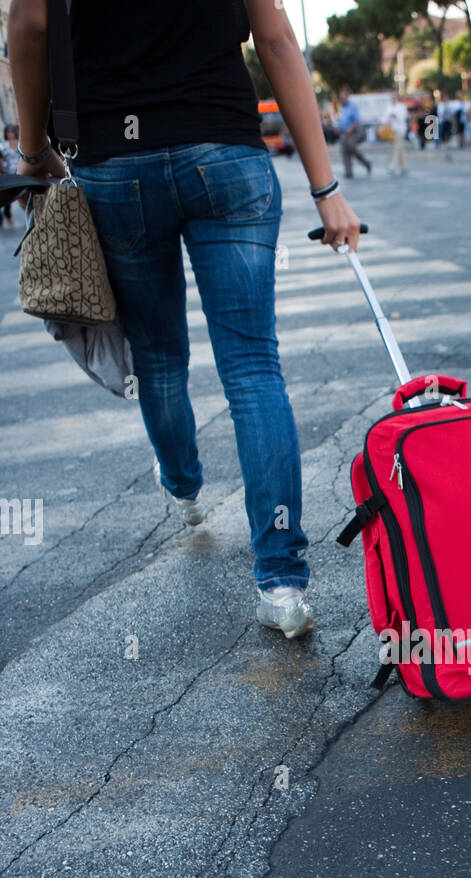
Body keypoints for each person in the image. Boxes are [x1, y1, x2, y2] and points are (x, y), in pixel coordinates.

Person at [8, 0, 360, 641]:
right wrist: (325, 189)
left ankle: (185, 488)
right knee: (254, 368)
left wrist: (33, 151)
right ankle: (281, 582)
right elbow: (276, 39)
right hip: (226, 152)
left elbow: (30, 27)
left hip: (116, 162)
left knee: (160, 354)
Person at [337, 88, 372, 178]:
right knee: (344, 151)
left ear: (347, 97)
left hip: (352, 132)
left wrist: (350, 129)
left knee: (351, 147)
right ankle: (348, 172)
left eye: (343, 97)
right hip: (343, 133)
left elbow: (356, 120)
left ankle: (366, 163)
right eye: (340, 97)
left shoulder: (352, 106)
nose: (341, 98)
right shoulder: (342, 107)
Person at [1, 123, 20, 224]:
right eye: (8, 132)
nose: (10, 134)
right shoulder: (3, 146)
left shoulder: (19, 143)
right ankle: (7, 215)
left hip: (20, 171)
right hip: (8, 173)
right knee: (8, 197)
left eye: (12, 131)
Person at [386, 91, 408, 175]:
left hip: (400, 129)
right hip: (392, 131)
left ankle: (392, 166)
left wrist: (395, 115)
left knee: (396, 148)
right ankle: (404, 167)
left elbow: (403, 118)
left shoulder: (401, 106)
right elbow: (386, 118)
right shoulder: (389, 107)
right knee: (400, 148)